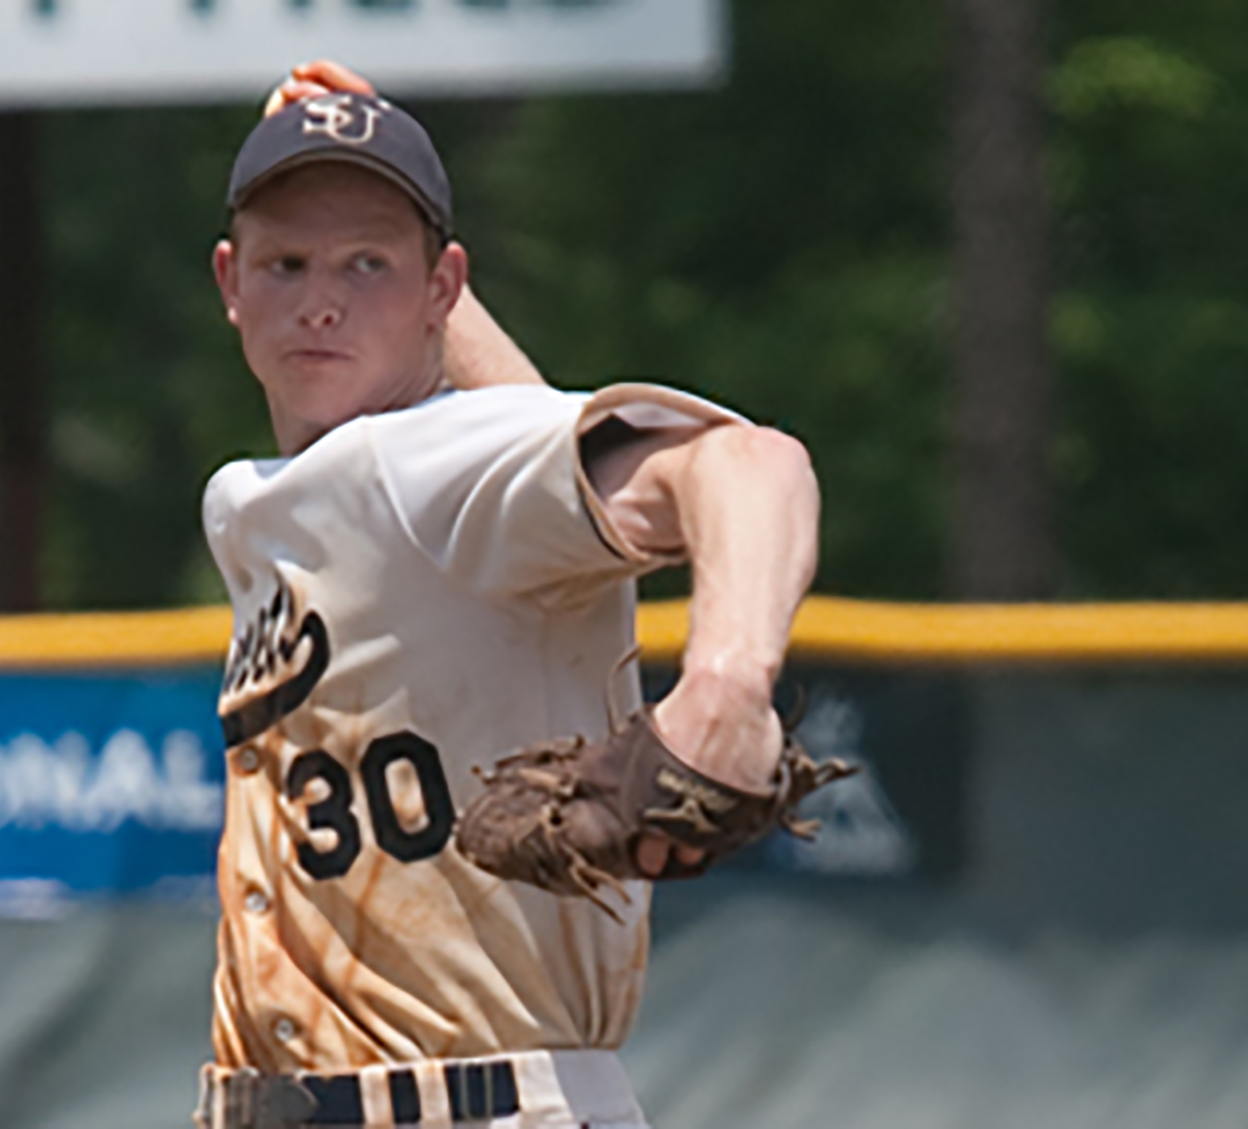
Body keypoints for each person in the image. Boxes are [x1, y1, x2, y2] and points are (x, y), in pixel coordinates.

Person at [196, 62, 820, 1129]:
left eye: (368, 264)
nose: (321, 300)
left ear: (442, 289)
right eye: (285, 263)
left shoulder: (425, 468)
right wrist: (415, 285)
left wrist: (727, 682)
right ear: (230, 283)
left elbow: (752, 463)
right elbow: (517, 435)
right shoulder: (270, 499)